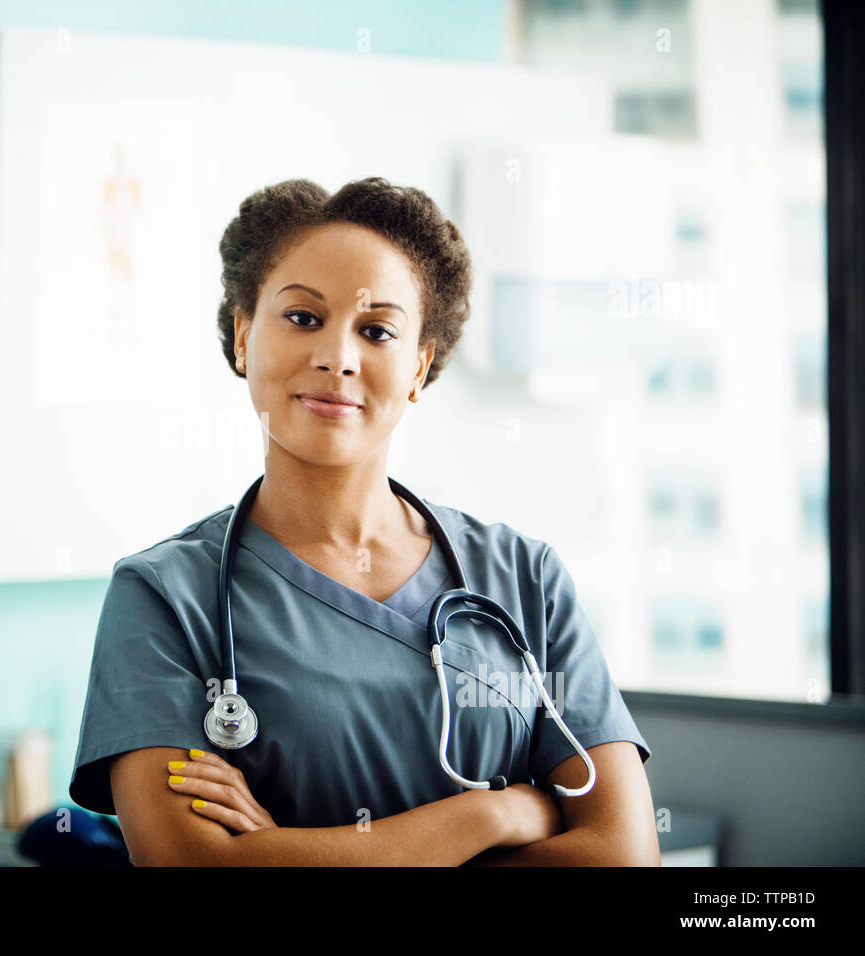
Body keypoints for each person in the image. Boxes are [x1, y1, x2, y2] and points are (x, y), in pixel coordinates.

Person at [68, 176, 657, 866]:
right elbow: (190, 864)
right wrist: (491, 814)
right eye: (303, 319)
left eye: (377, 330)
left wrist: (287, 854)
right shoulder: (165, 596)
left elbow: (620, 855)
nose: (337, 358)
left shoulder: (524, 579)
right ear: (241, 335)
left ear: (420, 365)